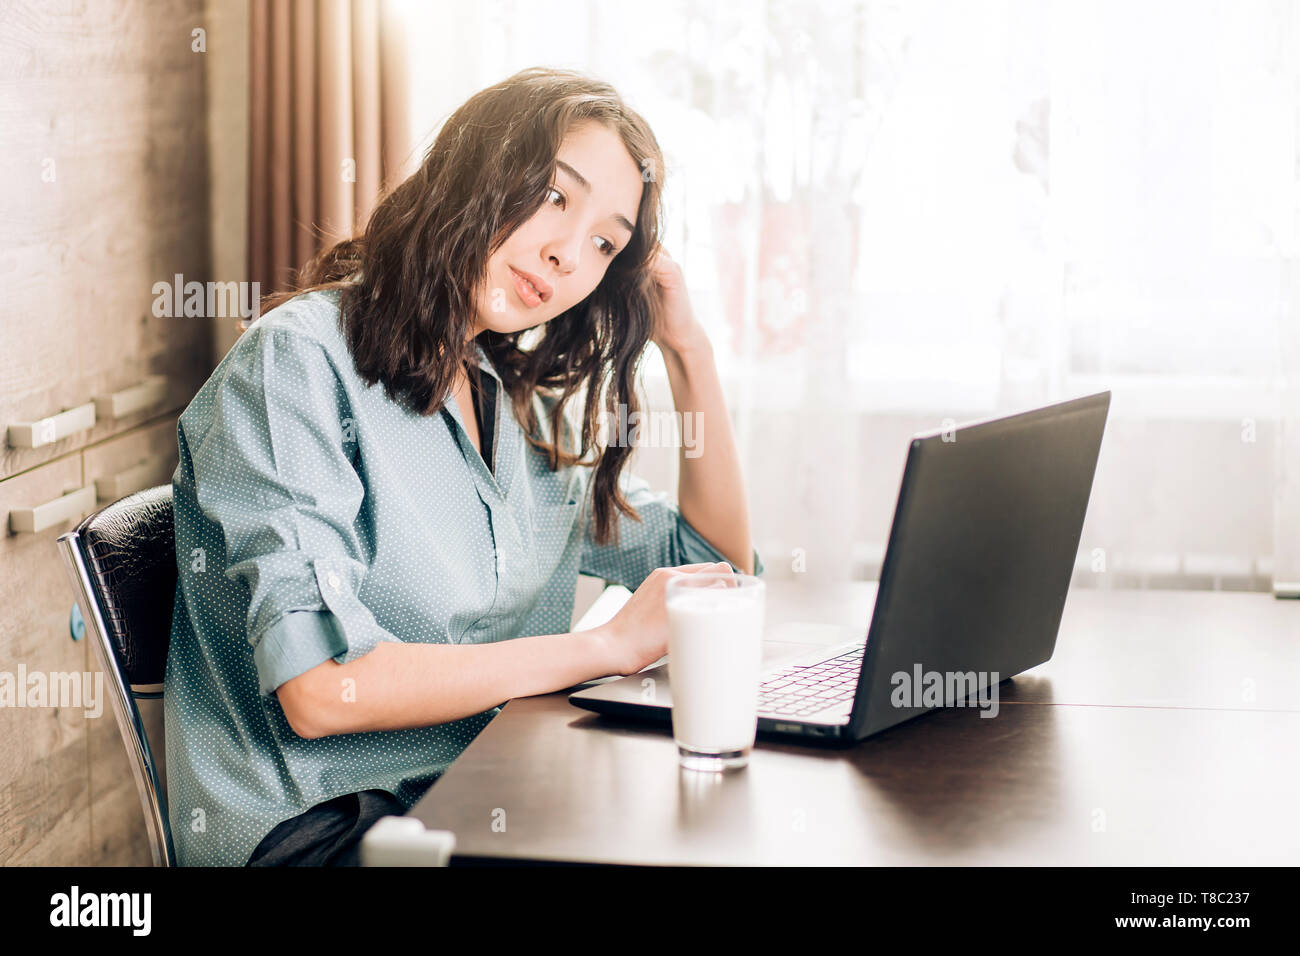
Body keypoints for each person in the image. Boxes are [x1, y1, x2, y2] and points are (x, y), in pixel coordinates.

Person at [164, 67, 764, 867]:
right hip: (325, 829)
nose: (565, 253)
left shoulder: (518, 405)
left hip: (493, 793)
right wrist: (605, 646)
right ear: (474, 170)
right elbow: (321, 690)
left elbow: (711, 574)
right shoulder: (295, 364)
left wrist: (690, 353)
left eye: (604, 243)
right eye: (555, 197)